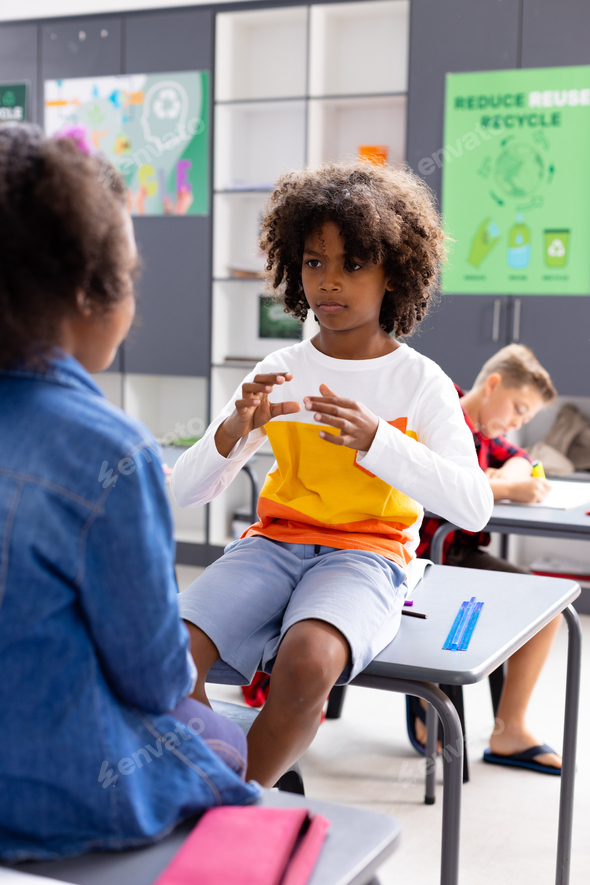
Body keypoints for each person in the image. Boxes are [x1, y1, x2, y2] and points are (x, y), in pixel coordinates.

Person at [171, 161, 493, 789]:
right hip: (274, 543)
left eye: (352, 264)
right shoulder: (279, 366)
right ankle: (230, 784)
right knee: (164, 659)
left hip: (368, 555)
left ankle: (245, 798)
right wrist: (233, 433)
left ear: (393, 272)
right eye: (315, 263)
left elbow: (474, 506)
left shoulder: (419, 380)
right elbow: (184, 492)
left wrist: (380, 442)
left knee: (308, 661)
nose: (329, 282)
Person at [0, 124, 258, 863]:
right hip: (50, 793)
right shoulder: (106, 451)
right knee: (218, 737)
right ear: (91, 292)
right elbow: (152, 677)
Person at [414, 344, 561, 775]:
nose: (517, 423)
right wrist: (502, 488)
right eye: (518, 409)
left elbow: (522, 460)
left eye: (526, 418)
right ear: (493, 384)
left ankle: (509, 729)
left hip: (461, 555)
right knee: (463, 617)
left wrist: (507, 476)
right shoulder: (442, 415)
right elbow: (442, 485)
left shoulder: (487, 433)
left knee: (545, 605)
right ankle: (425, 699)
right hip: (424, 560)